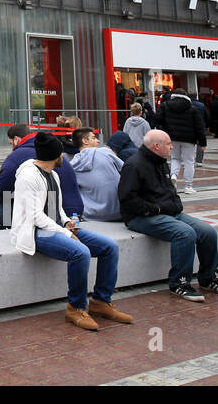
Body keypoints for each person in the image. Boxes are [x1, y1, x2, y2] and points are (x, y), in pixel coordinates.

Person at [11, 131, 131, 331]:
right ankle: (75, 307)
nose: (64, 157)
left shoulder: (53, 174)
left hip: (56, 227)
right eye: (61, 154)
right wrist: (66, 233)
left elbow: (57, 209)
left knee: (109, 247)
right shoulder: (28, 176)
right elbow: (34, 216)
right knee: (80, 252)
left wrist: (67, 223)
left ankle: (101, 301)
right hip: (34, 231)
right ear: (55, 155)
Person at [120, 129, 218, 301]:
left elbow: (169, 191)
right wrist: (156, 209)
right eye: (168, 144)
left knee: (208, 232)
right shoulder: (134, 165)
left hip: (168, 212)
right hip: (142, 217)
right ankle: (179, 282)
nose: (172, 147)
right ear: (156, 146)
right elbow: (127, 198)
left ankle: (208, 277)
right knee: (184, 233)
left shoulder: (160, 162)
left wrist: (175, 205)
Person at [0, 124, 84, 227]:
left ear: (16, 139)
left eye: (11, 143)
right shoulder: (53, 153)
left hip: (54, 218)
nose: (12, 147)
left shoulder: (17, 158)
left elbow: (4, 192)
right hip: (75, 213)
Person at [155, 86, 205, 195]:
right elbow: (199, 126)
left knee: (175, 158)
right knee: (189, 161)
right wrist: (203, 142)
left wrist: (164, 129)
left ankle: (173, 176)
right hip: (189, 139)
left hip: (172, 137)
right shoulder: (192, 108)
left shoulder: (165, 105)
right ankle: (188, 186)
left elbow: (158, 119)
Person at [69, 127, 125, 222]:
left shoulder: (72, 165)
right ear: (85, 141)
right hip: (118, 211)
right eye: (94, 138)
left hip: (91, 215)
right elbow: (126, 169)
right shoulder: (105, 152)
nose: (98, 141)